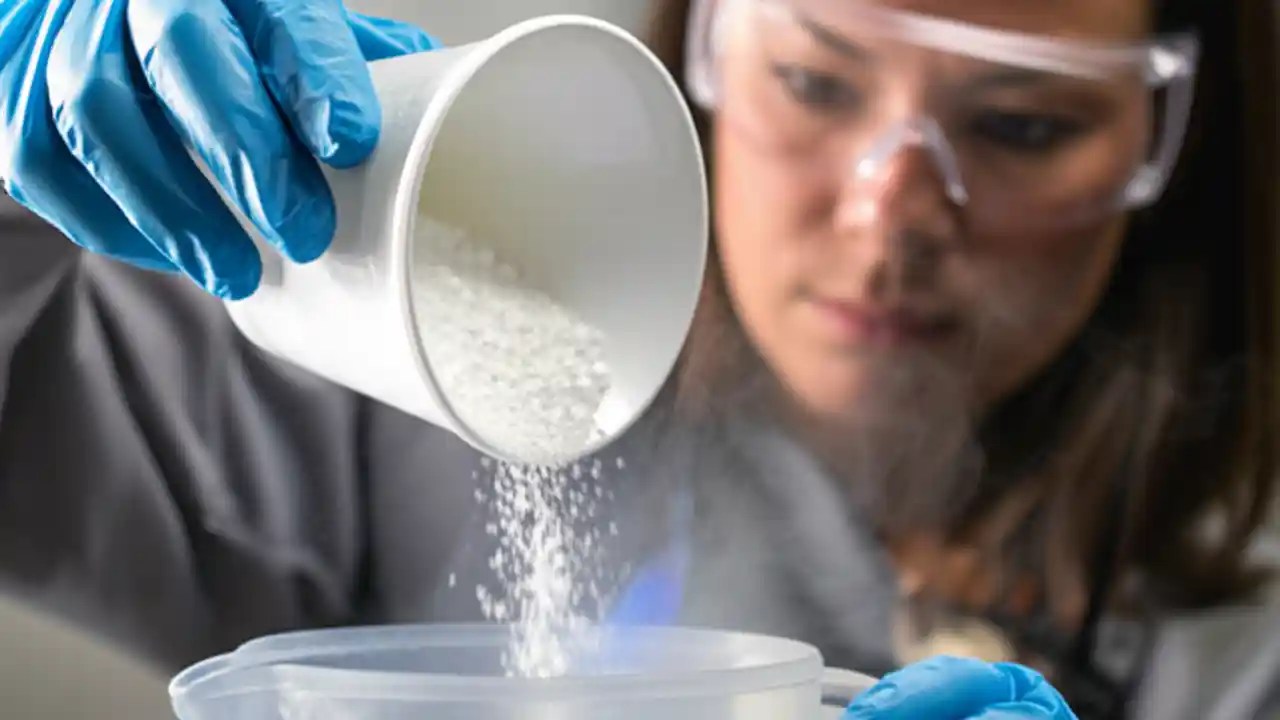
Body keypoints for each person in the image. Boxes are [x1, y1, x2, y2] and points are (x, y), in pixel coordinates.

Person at [0, 0, 1275, 717]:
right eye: (818, 86)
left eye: (1018, 123)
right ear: (707, 55)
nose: (888, 217)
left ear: (1169, 146)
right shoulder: (396, 376)